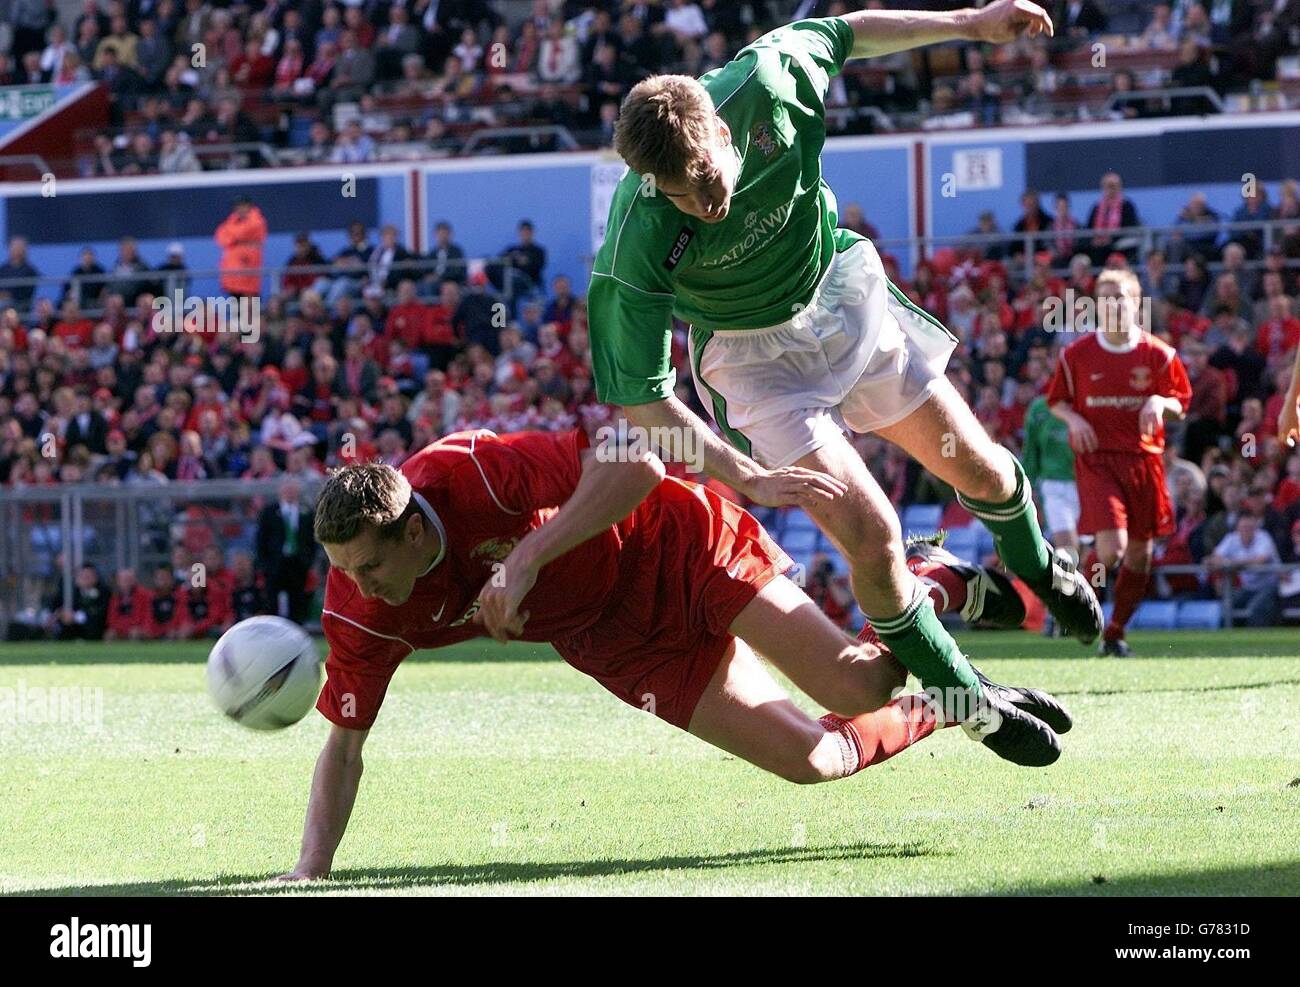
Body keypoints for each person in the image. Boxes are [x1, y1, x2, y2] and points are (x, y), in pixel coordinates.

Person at [585, 3, 1098, 763]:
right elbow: (639, 395)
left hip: (839, 300)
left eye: (706, 180)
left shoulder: (768, 76)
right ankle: (971, 700)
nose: (704, 204)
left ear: (725, 133)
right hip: (754, 365)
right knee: (873, 532)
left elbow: (849, 31)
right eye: (681, 195)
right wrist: (744, 476)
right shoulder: (637, 231)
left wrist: (971, 22)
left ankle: (1035, 569)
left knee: (982, 467)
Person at [276, 429, 1070, 880]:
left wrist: (525, 559)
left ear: (412, 528)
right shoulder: (361, 611)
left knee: (858, 682)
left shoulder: (473, 468)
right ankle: (948, 702)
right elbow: (344, 746)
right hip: (616, 640)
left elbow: (639, 453)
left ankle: (922, 575)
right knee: (816, 759)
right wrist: (312, 870)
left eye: (370, 566)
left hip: (678, 542)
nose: (360, 587)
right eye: (344, 572)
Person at [1046, 270, 1193, 656]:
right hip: (1098, 461)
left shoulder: (1159, 354)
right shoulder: (1076, 355)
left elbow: (1182, 403)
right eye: (1104, 298)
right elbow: (1056, 401)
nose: (1111, 305)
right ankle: (1076, 606)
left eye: (1120, 298)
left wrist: (1160, 403)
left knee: (1141, 554)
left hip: (1145, 462)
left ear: (1135, 304)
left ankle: (1115, 633)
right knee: (1112, 548)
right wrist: (1074, 418)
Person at [1021, 392, 1079, 565]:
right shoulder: (1039, 409)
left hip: (1089, 486)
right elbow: (1030, 452)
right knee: (1067, 548)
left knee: (1089, 552)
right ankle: (1066, 590)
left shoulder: (1089, 402)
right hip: (1053, 486)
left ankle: (1090, 590)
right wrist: (1028, 487)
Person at [256, 478, 318, 623]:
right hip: (275, 563)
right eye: (287, 489)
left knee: (297, 601)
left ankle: (295, 633)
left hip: (298, 564)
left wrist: (308, 561)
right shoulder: (269, 512)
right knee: (272, 602)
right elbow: (262, 540)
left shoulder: (306, 512)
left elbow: (311, 540)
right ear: (280, 491)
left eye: (293, 490)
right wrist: (264, 564)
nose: (290, 493)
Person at [214, 195, 267, 299]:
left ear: (249, 206)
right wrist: (234, 238)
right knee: (236, 312)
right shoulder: (232, 220)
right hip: (232, 277)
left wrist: (232, 236)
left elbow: (242, 232)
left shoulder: (257, 220)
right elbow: (220, 236)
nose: (238, 209)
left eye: (241, 206)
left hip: (248, 274)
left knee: (251, 310)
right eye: (236, 206)